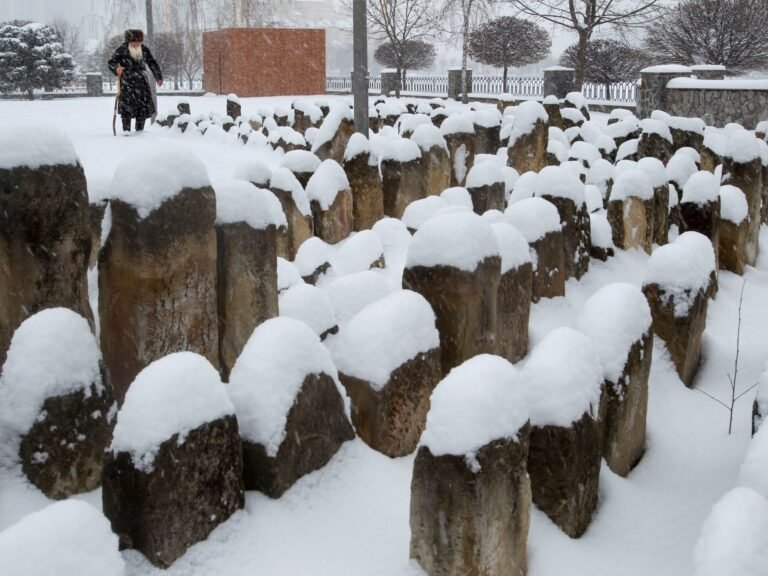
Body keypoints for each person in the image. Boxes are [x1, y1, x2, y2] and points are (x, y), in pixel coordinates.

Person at [108, 29, 163, 133]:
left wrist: (158, 77)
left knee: (142, 108)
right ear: (129, 41)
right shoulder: (122, 50)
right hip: (127, 82)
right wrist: (116, 68)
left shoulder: (144, 50)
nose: (136, 44)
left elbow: (152, 63)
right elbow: (111, 62)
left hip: (141, 82)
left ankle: (140, 131)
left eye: (138, 42)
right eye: (134, 42)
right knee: (126, 109)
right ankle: (126, 130)